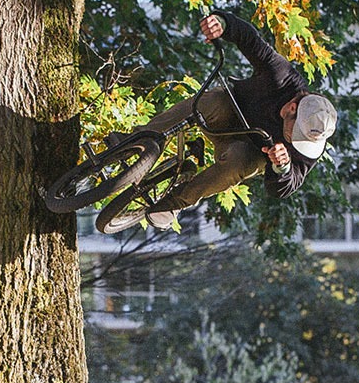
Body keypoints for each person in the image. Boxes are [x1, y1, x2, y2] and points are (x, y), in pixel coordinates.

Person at [132, 11, 338, 230]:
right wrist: (223, 24)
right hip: (228, 113)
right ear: (291, 108)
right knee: (212, 101)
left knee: (238, 162)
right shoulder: (280, 77)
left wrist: (282, 167)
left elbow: (285, 187)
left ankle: (174, 203)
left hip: (247, 152)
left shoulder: (311, 142)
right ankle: (137, 141)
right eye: (295, 132)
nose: (292, 140)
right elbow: (251, 40)